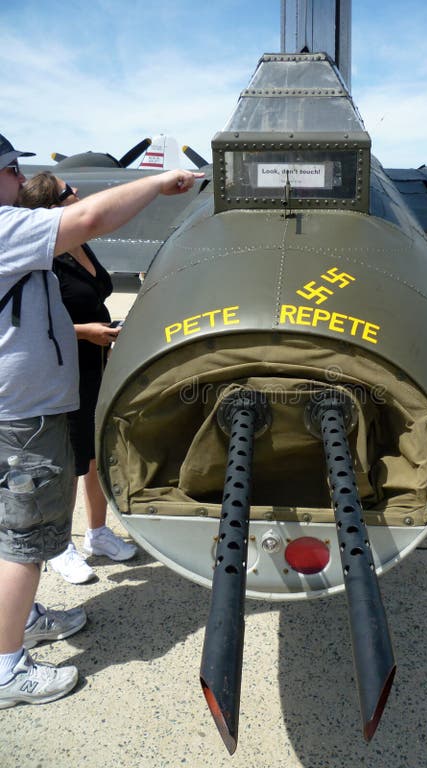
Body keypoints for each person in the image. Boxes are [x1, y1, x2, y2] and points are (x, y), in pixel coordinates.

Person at [0, 131, 202, 708]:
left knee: (13, 532)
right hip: (24, 416)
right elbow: (89, 217)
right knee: (24, 540)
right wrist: (163, 183)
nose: (20, 178)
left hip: (18, 408)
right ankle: (7, 669)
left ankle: (19, 622)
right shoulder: (4, 228)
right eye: (14, 169)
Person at [18, 172, 136, 584]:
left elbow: (96, 292)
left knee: (94, 453)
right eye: (71, 192)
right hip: (63, 363)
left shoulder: (79, 244)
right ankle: (61, 546)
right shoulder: (38, 254)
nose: (79, 194)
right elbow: (31, 322)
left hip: (96, 360)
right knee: (68, 459)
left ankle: (98, 533)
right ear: (53, 207)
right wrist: (86, 331)